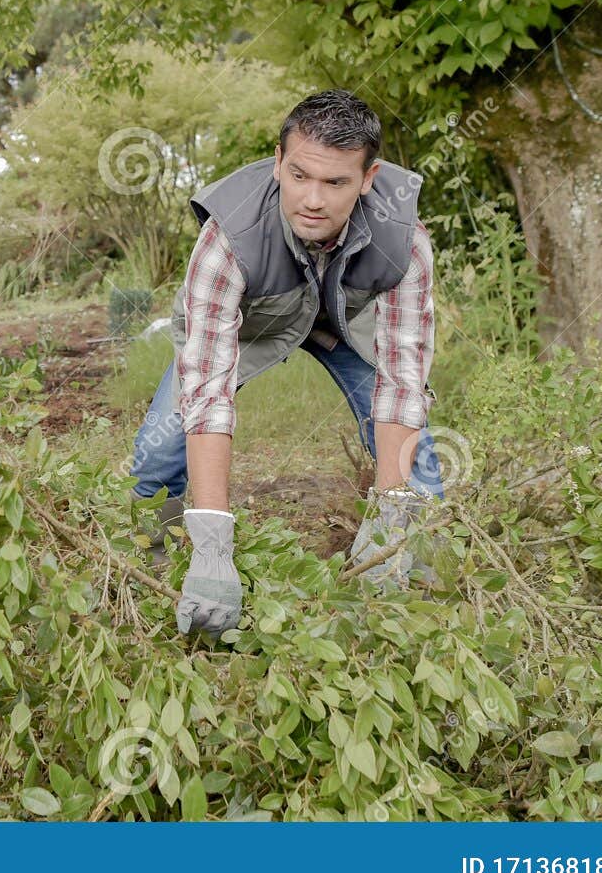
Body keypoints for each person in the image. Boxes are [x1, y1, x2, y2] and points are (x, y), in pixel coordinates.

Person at [129, 89, 445, 639]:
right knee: (157, 454)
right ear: (278, 163)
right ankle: (164, 579)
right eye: (299, 176)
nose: (312, 199)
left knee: (422, 476)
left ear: (368, 179)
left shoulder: (404, 241)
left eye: (335, 182)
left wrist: (393, 516)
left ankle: (411, 609)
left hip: (347, 323)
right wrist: (212, 544)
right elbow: (206, 394)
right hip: (257, 324)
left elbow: (403, 383)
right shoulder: (228, 239)